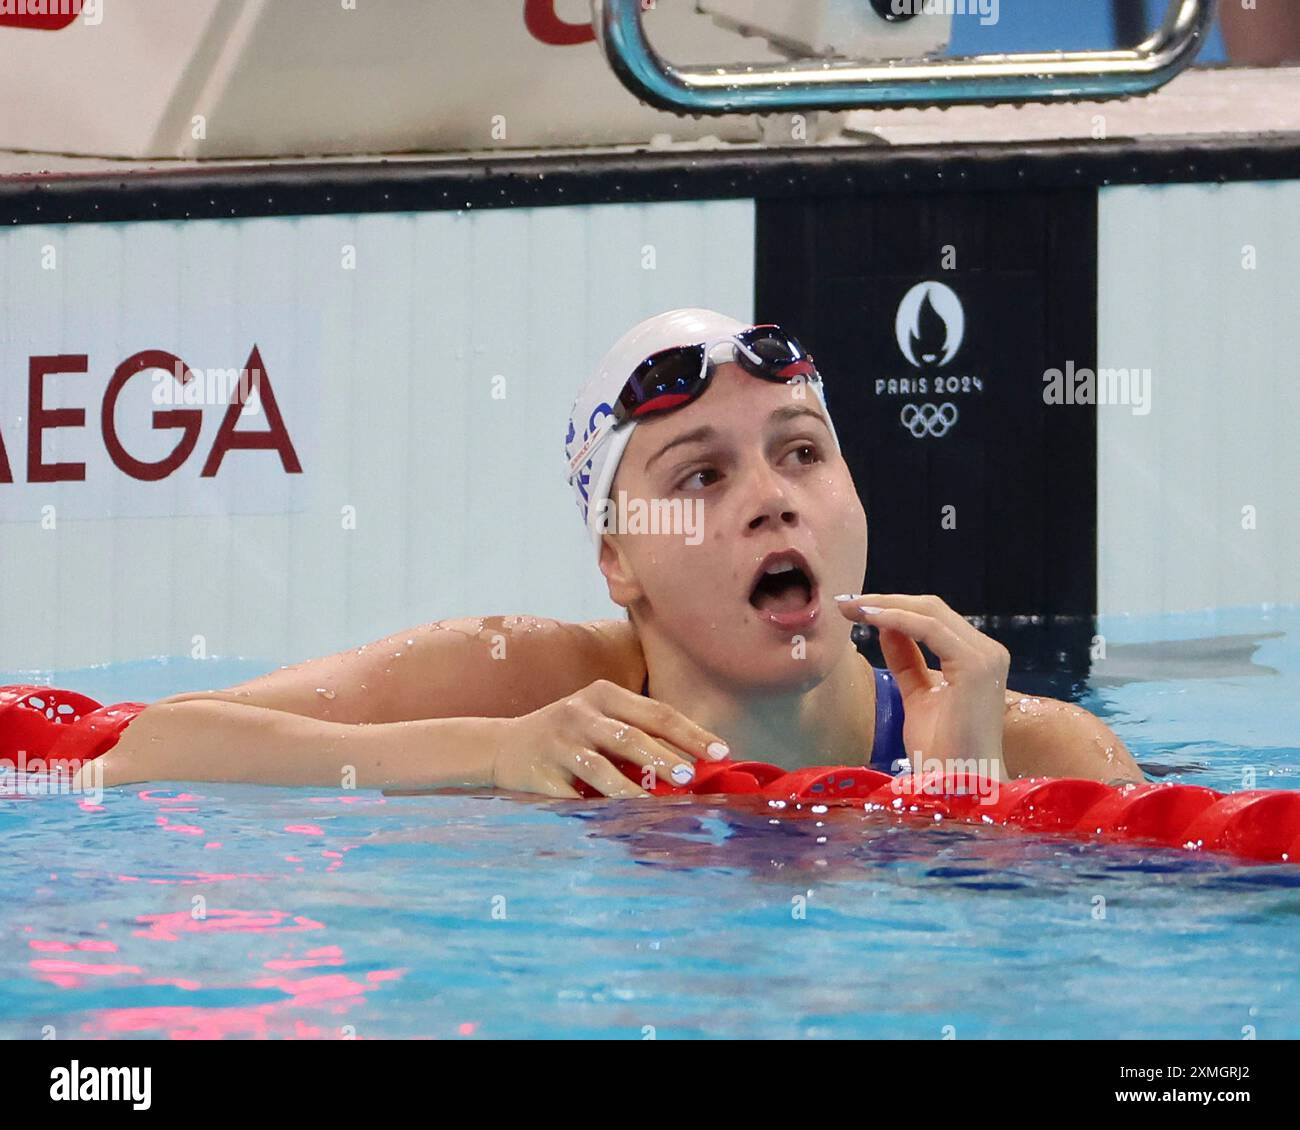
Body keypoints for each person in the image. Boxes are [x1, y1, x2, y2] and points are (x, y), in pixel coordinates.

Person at [86, 309, 1144, 797]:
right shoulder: (515, 682)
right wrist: (488, 755)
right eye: (701, 475)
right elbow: (157, 749)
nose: (772, 501)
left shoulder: (1042, 748)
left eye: (801, 453)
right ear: (617, 560)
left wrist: (961, 795)